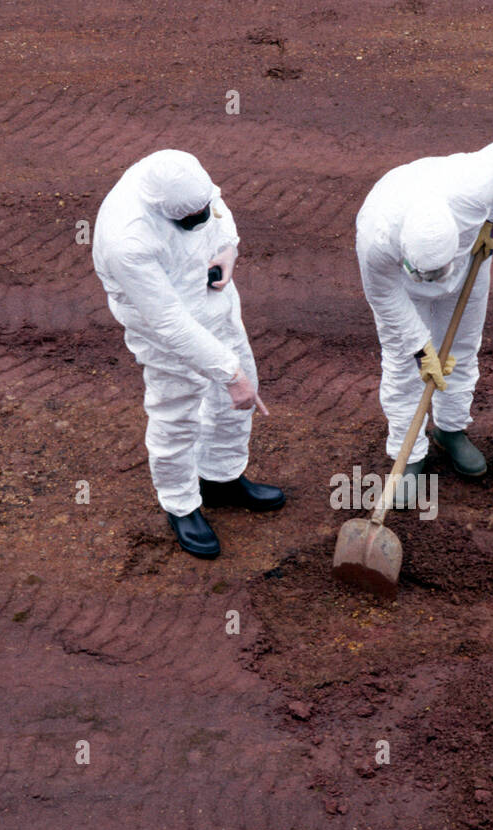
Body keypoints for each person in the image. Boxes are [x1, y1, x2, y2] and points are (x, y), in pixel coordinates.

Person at [92, 150, 283, 559]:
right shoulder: (127, 239)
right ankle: (181, 504)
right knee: (175, 411)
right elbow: (170, 322)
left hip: (211, 296)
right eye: (189, 219)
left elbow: (216, 208)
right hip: (163, 324)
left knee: (240, 395)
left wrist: (228, 247)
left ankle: (220, 477)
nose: (199, 218)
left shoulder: (181, 174)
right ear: (164, 211)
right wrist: (230, 375)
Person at [356, 141, 493, 505]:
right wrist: (420, 348)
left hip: (468, 263)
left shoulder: (474, 186)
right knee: (403, 364)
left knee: (462, 348)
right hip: (403, 288)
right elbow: (383, 297)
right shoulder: (376, 237)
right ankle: (408, 455)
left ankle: (451, 430)